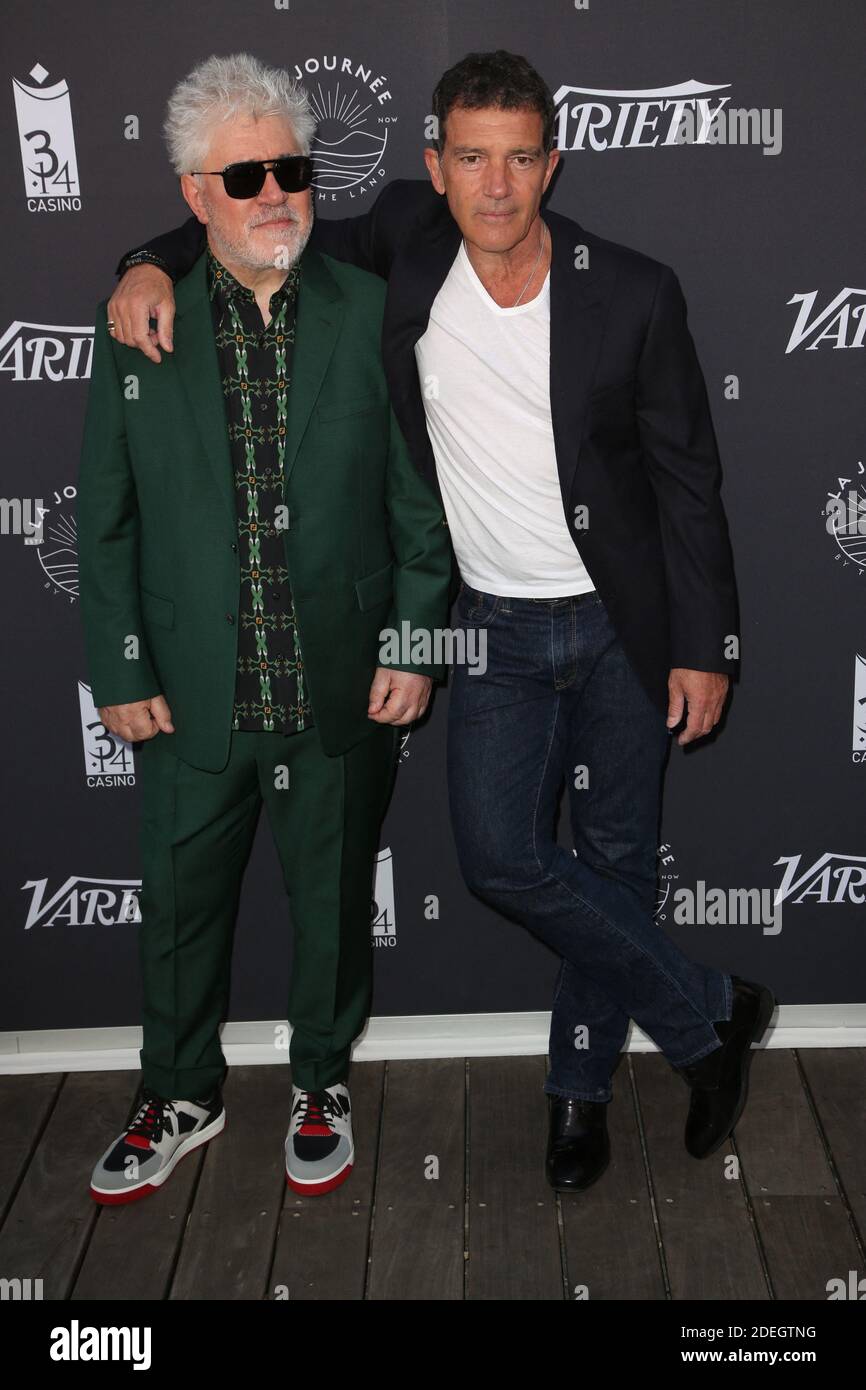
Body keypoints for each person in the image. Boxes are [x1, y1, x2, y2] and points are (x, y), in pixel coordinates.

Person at [106, 50, 775, 1194]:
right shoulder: (397, 250)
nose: (497, 186)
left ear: (550, 163)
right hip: (494, 632)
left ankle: (577, 1094)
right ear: (434, 165)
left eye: (520, 159)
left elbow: (686, 482)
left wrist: (701, 644)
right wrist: (139, 264)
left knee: (614, 868)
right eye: (472, 157)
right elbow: (244, 221)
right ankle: (710, 1005)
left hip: (622, 628)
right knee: (498, 857)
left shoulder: (635, 288)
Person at [78, 53, 451, 1204]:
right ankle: (178, 1090)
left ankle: (321, 1077)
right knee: (180, 910)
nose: (276, 193)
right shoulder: (142, 325)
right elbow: (106, 518)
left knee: (336, 906)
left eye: (290, 167)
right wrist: (120, 660)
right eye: (244, 176)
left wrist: (411, 639)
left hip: (336, 679)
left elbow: (415, 498)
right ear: (195, 197)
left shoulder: (370, 305)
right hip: (192, 686)